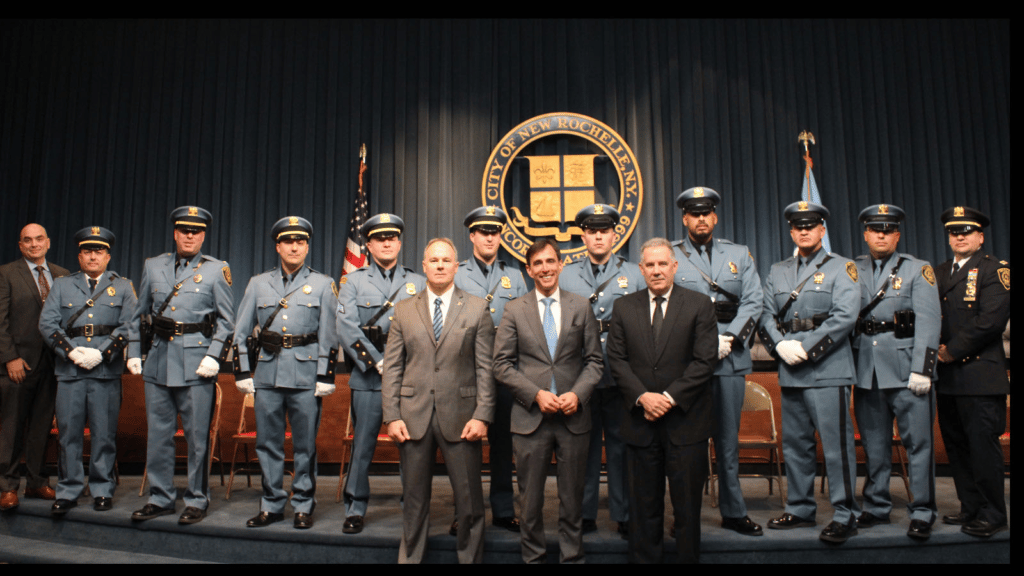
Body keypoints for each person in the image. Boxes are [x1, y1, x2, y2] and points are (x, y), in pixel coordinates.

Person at [382, 238, 496, 563]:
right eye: (435, 260)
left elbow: (485, 369)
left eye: (447, 260)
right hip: (412, 418)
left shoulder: (476, 308)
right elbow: (392, 368)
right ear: (424, 266)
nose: (441, 265)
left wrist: (483, 416)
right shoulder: (403, 311)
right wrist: (391, 416)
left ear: (456, 267)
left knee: (470, 502)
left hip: (463, 418)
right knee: (414, 501)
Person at [606, 237, 718, 563]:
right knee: (643, 509)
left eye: (662, 264)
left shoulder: (699, 305)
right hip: (640, 424)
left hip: (686, 425)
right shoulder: (624, 307)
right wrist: (643, 397)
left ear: (674, 266)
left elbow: (704, 361)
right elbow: (617, 360)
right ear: (641, 269)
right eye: (650, 265)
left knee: (686, 510)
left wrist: (667, 398)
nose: (656, 271)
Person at [492, 237, 603, 564]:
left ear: (560, 264)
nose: (544, 268)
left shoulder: (581, 306)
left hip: (573, 418)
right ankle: (533, 558)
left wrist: (578, 394)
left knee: (572, 500)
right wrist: (535, 394)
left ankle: (572, 558)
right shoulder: (514, 308)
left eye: (550, 261)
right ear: (529, 269)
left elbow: (595, 361)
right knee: (529, 501)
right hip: (530, 418)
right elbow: (501, 365)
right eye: (537, 263)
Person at [757, 201, 861, 544]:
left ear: (822, 230)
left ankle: (846, 514)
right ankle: (801, 508)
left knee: (836, 446)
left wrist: (808, 348)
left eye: (810, 225)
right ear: (790, 231)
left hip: (827, 367)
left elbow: (845, 316)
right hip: (791, 369)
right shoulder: (777, 270)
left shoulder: (842, 267)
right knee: (796, 445)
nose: (804, 230)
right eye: (797, 226)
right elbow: (765, 315)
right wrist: (780, 347)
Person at [126, 206, 235, 525]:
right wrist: (135, 351)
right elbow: (137, 315)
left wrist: (214, 356)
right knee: (158, 435)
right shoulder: (153, 265)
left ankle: (197, 499)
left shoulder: (217, 270)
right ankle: (160, 497)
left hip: (196, 363)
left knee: (197, 437)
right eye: (184, 230)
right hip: (158, 361)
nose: (190, 235)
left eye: (196, 231)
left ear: (203, 236)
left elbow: (227, 322)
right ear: (175, 232)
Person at [233, 216, 338, 530]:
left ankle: (303, 505)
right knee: (267, 444)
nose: (295, 246)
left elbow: (329, 334)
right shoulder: (258, 283)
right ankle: (272, 505)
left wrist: (326, 375)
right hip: (267, 374)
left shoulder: (323, 284)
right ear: (278, 246)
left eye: (301, 241)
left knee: (305, 445)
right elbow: (239, 333)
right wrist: (241, 372)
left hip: (307, 377)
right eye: (288, 241)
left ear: (307, 246)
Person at [670, 187, 763, 536]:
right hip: (687, 363)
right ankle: (685, 517)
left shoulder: (738, 253)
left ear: (715, 216)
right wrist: (706, 343)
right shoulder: (671, 254)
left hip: (730, 360)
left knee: (727, 443)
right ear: (685, 219)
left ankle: (734, 512)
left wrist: (732, 337)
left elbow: (754, 300)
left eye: (706, 213)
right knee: (687, 447)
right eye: (694, 214)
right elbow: (666, 303)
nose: (701, 219)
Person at [851, 204, 940, 540]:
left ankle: (922, 510)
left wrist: (923, 369)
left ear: (897, 234)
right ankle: (875, 506)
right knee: (875, 446)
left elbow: (930, 321)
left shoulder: (918, 269)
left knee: (919, 445)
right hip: (867, 372)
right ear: (865, 234)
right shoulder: (851, 269)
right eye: (876, 229)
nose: (882, 235)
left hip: (907, 372)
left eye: (888, 230)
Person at [558, 203, 645, 537]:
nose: (598, 237)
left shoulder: (635, 273)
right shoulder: (566, 274)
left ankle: (623, 513)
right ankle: (585, 512)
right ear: (583, 235)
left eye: (604, 231)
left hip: (622, 372)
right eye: (592, 231)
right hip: (579, 373)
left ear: (614, 234)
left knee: (622, 447)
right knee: (584, 447)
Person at [335, 213, 426, 534]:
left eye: (392, 237)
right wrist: (377, 361)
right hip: (370, 378)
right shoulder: (354, 281)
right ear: (369, 244)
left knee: (412, 447)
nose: (387, 242)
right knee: (363, 446)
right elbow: (345, 326)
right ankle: (355, 507)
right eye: (379, 238)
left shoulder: (419, 282)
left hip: (410, 379)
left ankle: (412, 507)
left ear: (400, 243)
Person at [39, 226, 137, 516]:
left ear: (108, 256)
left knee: (103, 434)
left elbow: (129, 325)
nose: (93, 256)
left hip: (105, 373)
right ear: (79, 255)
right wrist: (70, 351)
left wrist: (103, 352)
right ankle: (68, 490)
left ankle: (102, 489)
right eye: (87, 251)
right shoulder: (61, 285)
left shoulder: (123, 287)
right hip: (69, 372)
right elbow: (47, 324)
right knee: (68, 434)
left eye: (99, 251)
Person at [935, 206, 1010, 538]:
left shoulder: (997, 270)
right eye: (954, 232)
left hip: (980, 376)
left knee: (983, 449)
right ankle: (970, 507)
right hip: (948, 379)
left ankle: (993, 513)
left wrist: (950, 350)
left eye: (967, 232)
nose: (960, 236)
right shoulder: (938, 273)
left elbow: (990, 322)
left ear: (980, 236)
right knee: (958, 447)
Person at [453, 206, 527, 534]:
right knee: (464, 445)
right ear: (472, 236)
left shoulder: (516, 276)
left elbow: (527, 322)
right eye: (483, 231)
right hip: (466, 371)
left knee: (502, 445)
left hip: (506, 372)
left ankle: (502, 508)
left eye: (495, 231)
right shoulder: (456, 273)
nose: (489, 237)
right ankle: (465, 511)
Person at [0, 224, 70, 511]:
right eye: (27, 240)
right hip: (18, 364)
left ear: (48, 242)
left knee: (42, 427)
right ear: (20, 245)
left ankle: (38, 482)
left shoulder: (63, 275)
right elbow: (0, 321)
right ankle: (7, 486)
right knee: (11, 428)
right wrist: (9, 357)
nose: (33, 244)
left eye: (39, 238)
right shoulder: (6, 273)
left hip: (53, 365)